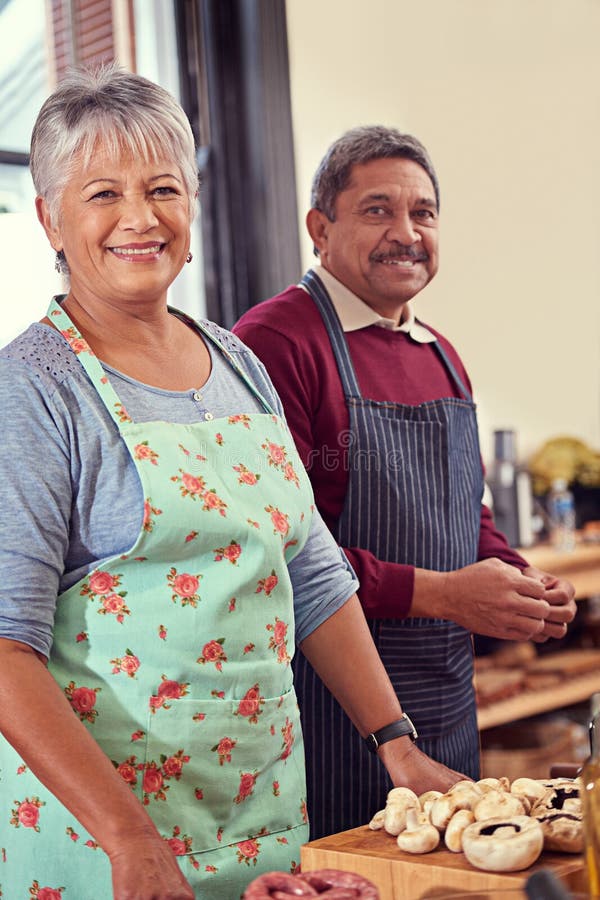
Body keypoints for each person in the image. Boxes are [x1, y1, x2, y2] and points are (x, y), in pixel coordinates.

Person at [0, 74, 469, 900]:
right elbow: (5, 647)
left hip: (263, 823)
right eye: (104, 193)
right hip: (108, 849)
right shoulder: (33, 389)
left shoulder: (237, 364)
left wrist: (395, 742)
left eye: (163, 190)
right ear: (51, 220)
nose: (141, 218)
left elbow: (315, 575)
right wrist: (129, 840)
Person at [233, 125, 577, 839]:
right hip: (333, 715)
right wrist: (449, 594)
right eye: (378, 210)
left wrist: (520, 581)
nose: (407, 232)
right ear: (318, 228)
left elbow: (464, 513)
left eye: (423, 213)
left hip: (448, 708)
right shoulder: (274, 342)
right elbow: (287, 560)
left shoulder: (440, 354)